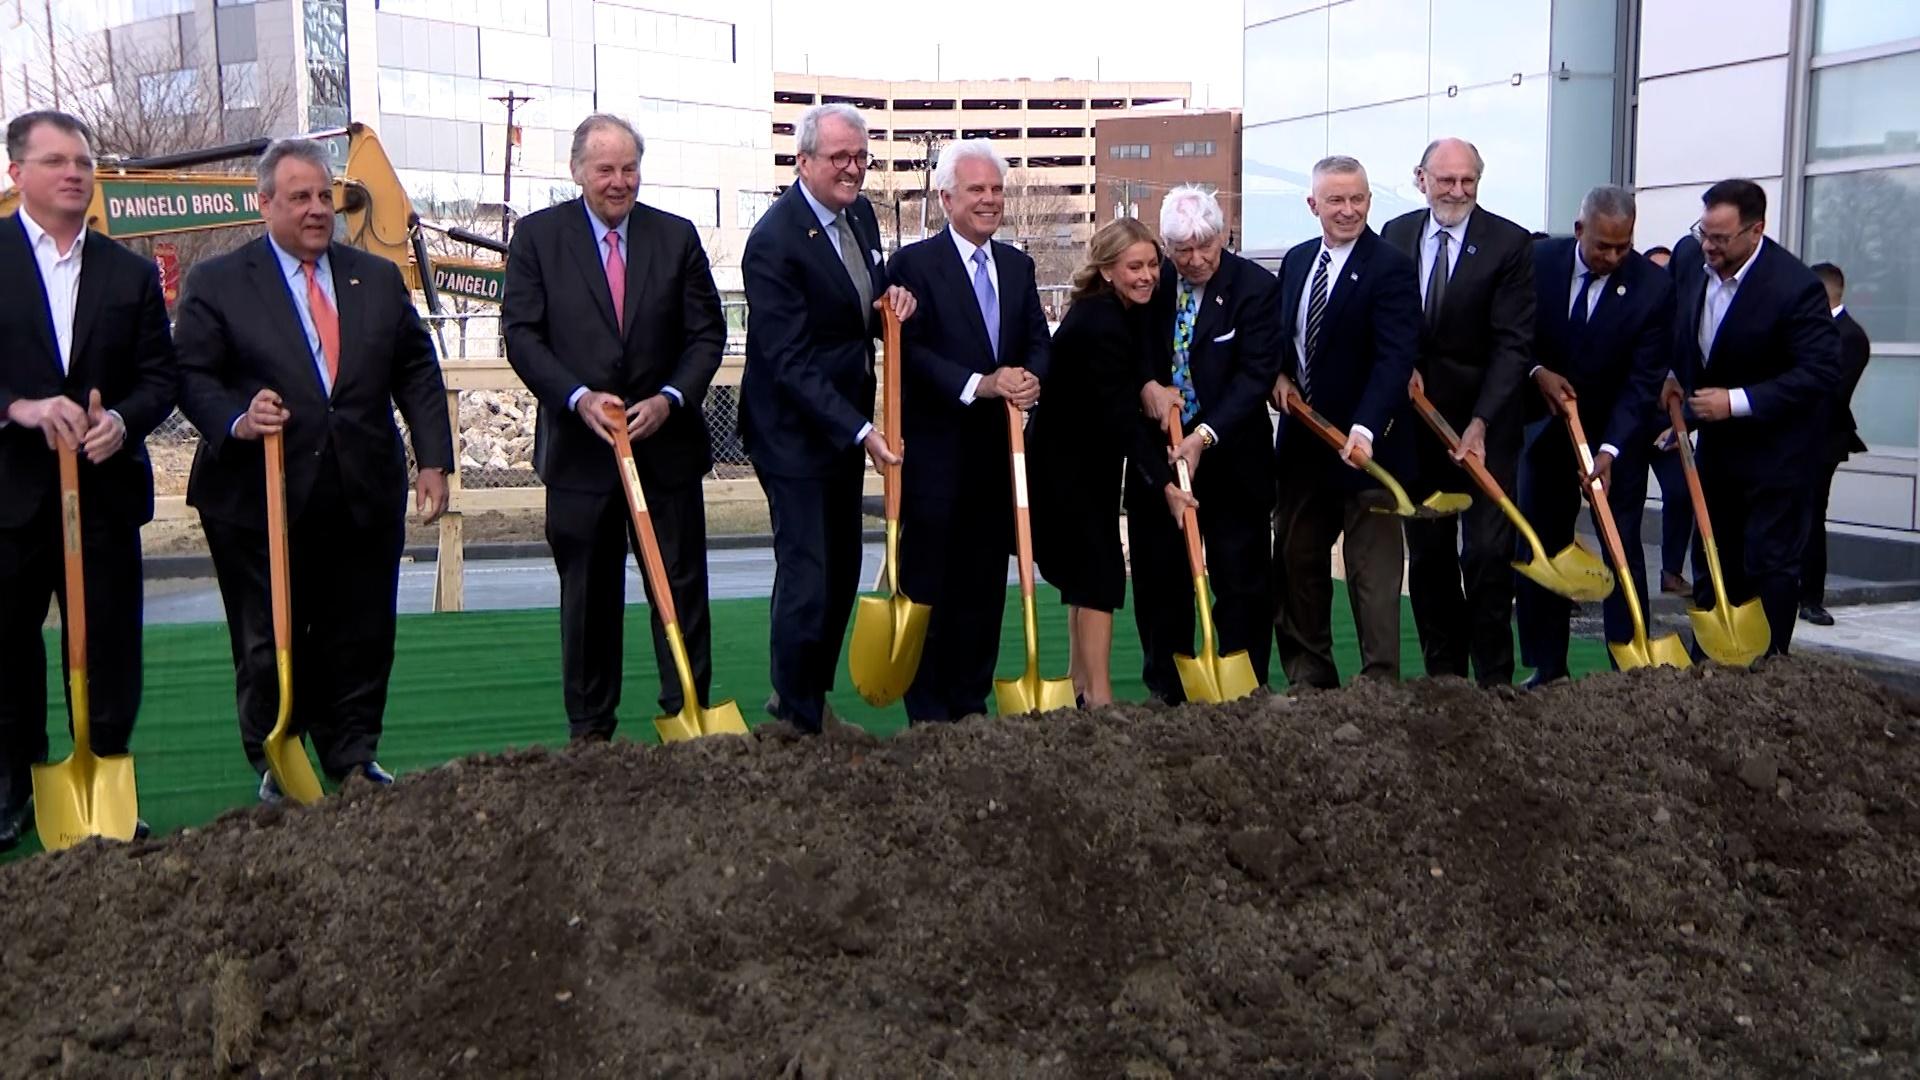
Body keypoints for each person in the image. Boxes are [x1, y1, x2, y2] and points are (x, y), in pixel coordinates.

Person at [174, 137, 452, 798]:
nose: (316, 209)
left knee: (361, 630)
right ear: (265, 203)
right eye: (299, 197)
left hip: (361, 487)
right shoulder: (218, 283)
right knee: (269, 636)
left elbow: (416, 368)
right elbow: (190, 373)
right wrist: (238, 418)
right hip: (256, 495)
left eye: (323, 196)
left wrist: (434, 460)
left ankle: (352, 753)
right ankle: (279, 757)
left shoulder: (375, 278)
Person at [503, 115, 726, 743]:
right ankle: (591, 730)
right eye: (605, 169)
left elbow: (706, 333)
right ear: (577, 171)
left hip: (666, 451)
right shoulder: (538, 238)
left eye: (629, 168)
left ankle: (686, 712)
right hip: (582, 455)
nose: (619, 181)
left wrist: (671, 398)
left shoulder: (675, 237)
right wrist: (577, 399)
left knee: (680, 587)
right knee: (588, 596)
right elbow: (522, 336)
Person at [0, 111, 176, 850]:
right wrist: (18, 406)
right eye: (56, 161)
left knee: (108, 645)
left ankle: (104, 772)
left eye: (83, 161)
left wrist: (123, 422)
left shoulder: (128, 272)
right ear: (17, 173)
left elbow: (160, 377)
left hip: (102, 496)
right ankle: (12, 788)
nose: (74, 172)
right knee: (7, 647)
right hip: (10, 496)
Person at [740, 103, 914, 734]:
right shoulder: (774, 241)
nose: (853, 168)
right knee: (808, 570)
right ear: (804, 161)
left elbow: (859, 305)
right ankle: (794, 714)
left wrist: (892, 300)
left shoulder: (858, 215)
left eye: (861, 157)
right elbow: (788, 359)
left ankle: (810, 700)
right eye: (840, 157)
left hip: (843, 425)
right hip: (792, 432)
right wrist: (861, 430)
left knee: (841, 569)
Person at [886, 139, 1052, 722]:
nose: (989, 200)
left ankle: (970, 704)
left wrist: (1030, 379)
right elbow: (910, 352)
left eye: (997, 189)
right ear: (946, 198)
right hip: (935, 459)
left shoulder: (1018, 267)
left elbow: (1037, 339)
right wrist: (979, 384)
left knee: (983, 589)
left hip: (997, 459)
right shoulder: (912, 266)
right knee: (931, 585)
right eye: (976, 189)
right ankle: (929, 714)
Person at [1381, 137, 1536, 687]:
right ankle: (1443, 675)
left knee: (1488, 555)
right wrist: (1400, 364)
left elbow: (1513, 344)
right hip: (1418, 424)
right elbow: (1389, 317)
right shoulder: (1396, 234)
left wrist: (1482, 421)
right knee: (1429, 557)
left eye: (1468, 180)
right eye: (1446, 180)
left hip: (1485, 426)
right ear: (1421, 178)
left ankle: (1494, 678)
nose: (1457, 191)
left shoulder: (1510, 243)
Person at [1663, 180, 1841, 657]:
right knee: (1711, 552)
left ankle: (1768, 665)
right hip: (1717, 452)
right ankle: (1709, 661)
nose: (1708, 245)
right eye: (1703, 232)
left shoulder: (1794, 287)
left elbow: (1821, 372)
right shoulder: (1690, 262)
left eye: (1720, 238)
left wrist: (1737, 401)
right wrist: (1674, 376)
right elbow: (1679, 330)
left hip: (1777, 456)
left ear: (1756, 230)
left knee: (1769, 561)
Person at [1269, 155, 1420, 688]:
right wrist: (1278, 375)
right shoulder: (1296, 261)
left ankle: (1379, 682)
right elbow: (1284, 337)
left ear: (1370, 201)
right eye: (1336, 200)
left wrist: (1366, 428)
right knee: (1296, 562)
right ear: (1314, 204)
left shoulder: (1391, 267)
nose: (1348, 209)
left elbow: (1395, 357)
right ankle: (1310, 676)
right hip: (1303, 446)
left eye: (1358, 199)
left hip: (1367, 449)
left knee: (1372, 575)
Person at [1514, 186, 1673, 686]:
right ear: (1580, 229)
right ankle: (1547, 667)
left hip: (1614, 439)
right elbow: (1513, 336)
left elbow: (1643, 381)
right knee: (1543, 547)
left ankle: (1628, 667)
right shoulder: (1538, 263)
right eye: (1603, 246)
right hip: (1544, 431)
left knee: (1621, 547)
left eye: (1624, 246)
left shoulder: (1653, 288)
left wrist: (1610, 450)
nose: (1613, 257)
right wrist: (1536, 371)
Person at [1130, 185, 1282, 703]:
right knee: (1160, 579)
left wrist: (1203, 435)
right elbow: (1131, 353)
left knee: (1242, 579)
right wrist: (1147, 387)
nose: (1195, 260)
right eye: (1182, 250)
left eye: (1205, 247)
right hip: (1161, 456)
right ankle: (1166, 688)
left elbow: (1255, 375)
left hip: (1231, 457)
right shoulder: (1149, 284)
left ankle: (1244, 686)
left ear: (1222, 236)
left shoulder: (1255, 288)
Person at [1030, 218, 1161, 707]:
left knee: (1086, 577)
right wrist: (1164, 481)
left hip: (1088, 462)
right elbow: (1120, 416)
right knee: (1099, 575)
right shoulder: (1101, 321)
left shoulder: (1117, 310)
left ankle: (1078, 685)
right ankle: (1100, 698)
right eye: (1134, 267)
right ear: (1107, 270)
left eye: (1152, 265)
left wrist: (1150, 384)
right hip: (1067, 467)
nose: (1146, 276)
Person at [1799, 261, 1872, 627]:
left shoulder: (1850, 336)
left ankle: (1811, 597)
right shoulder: (1808, 330)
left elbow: (1831, 393)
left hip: (1821, 440)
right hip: (1794, 439)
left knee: (1812, 517)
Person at [1642, 242, 1692, 594]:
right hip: (1628, 421)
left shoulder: (1684, 317)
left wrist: (1682, 419)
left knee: (1682, 489)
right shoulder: (1630, 309)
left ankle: (1672, 571)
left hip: (1669, 422)